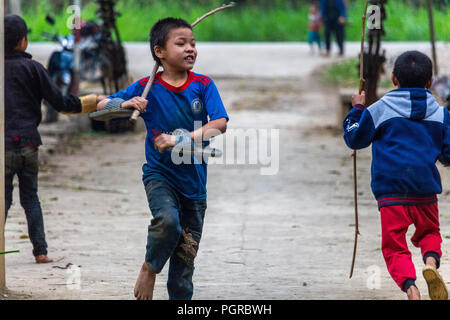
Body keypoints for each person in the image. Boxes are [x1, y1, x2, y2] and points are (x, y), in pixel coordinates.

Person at [97, 17, 229, 300]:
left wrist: (179, 139)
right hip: (160, 176)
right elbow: (100, 107)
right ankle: (149, 267)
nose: (190, 49)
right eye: (181, 44)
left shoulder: (203, 85)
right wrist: (125, 103)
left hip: (195, 185)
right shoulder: (146, 87)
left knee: (184, 268)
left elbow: (219, 124)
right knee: (168, 222)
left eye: (193, 43)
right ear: (160, 52)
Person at [343, 51, 449, 300]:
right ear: (430, 82)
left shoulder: (379, 110)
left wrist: (357, 109)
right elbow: (448, 154)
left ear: (393, 79)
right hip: (424, 187)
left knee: (395, 247)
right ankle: (430, 265)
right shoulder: (441, 114)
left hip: (390, 191)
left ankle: (411, 290)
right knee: (430, 233)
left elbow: (354, 139)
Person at [4, 14, 104, 264]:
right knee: (30, 198)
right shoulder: (34, 69)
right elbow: (62, 104)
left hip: (3, 146)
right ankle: (41, 252)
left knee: (2, 200)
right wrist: (93, 101)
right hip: (29, 144)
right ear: (23, 42)